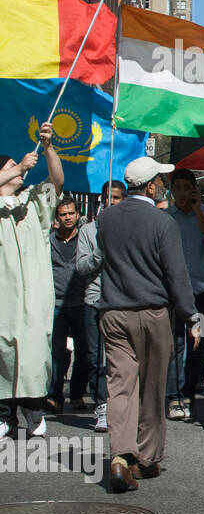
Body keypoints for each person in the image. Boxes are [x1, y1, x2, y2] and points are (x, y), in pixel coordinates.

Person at [97, 157, 199, 492]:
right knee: (153, 388)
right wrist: (190, 316)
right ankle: (147, 458)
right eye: (162, 179)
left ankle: (119, 457)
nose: (166, 184)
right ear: (151, 185)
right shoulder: (162, 222)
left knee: (120, 386)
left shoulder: (105, 218)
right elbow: (176, 274)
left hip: (113, 312)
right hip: (152, 313)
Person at [0, 122, 63, 439]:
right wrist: (19, 167)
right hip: (4, 297)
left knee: (34, 352)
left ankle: (34, 412)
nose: (20, 170)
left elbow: (57, 180)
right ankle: (4, 416)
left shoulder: (35, 201)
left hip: (35, 296)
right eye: (10, 167)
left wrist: (49, 148)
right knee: (4, 351)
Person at [161, 168, 204, 421]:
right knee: (175, 344)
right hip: (174, 292)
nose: (182, 194)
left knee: (197, 343)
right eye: (178, 188)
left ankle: (188, 393)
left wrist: (197, 211)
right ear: (172, 191)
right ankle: (173, 395)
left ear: (195, 190)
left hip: (200, 291)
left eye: (187, 188)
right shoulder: (165, 216)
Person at [74, 180, 125, 432]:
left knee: (120, 358)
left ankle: (121, 405)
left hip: (122, 301)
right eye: (107, 197)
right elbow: (81, 267)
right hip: (94, 299)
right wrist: (100, 250)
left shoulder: (130, 227)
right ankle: (101, 404)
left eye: (116, 198)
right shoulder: (88, 230)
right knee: (95, 357)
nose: (110, 202)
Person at [49, 196, 91, 413]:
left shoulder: (84, 239)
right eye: (63, 214)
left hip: (81, 303)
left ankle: (76, 394)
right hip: (55, 304)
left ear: (77, 214)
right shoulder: (49, 241)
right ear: (57, 217)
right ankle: (55, 396)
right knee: (56, 353)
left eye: (71, 213)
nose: (67, 218)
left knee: (84, 352)